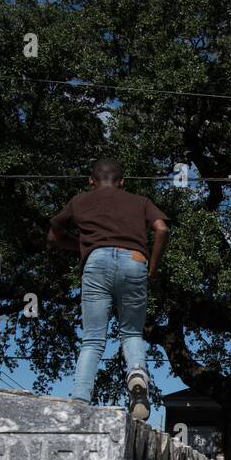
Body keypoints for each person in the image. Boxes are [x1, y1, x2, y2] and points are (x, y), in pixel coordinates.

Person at [47, 158, 170, 419]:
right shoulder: (140, 201)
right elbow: (161, 228)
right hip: (136, 261)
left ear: (91, 181)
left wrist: (83, 247)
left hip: (96, 262)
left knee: (92, 338)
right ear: (122, 182)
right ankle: (137, 375)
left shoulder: (79, 201)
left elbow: (53, 234)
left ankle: (80, 400)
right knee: (131, 332)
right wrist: (153, 268)